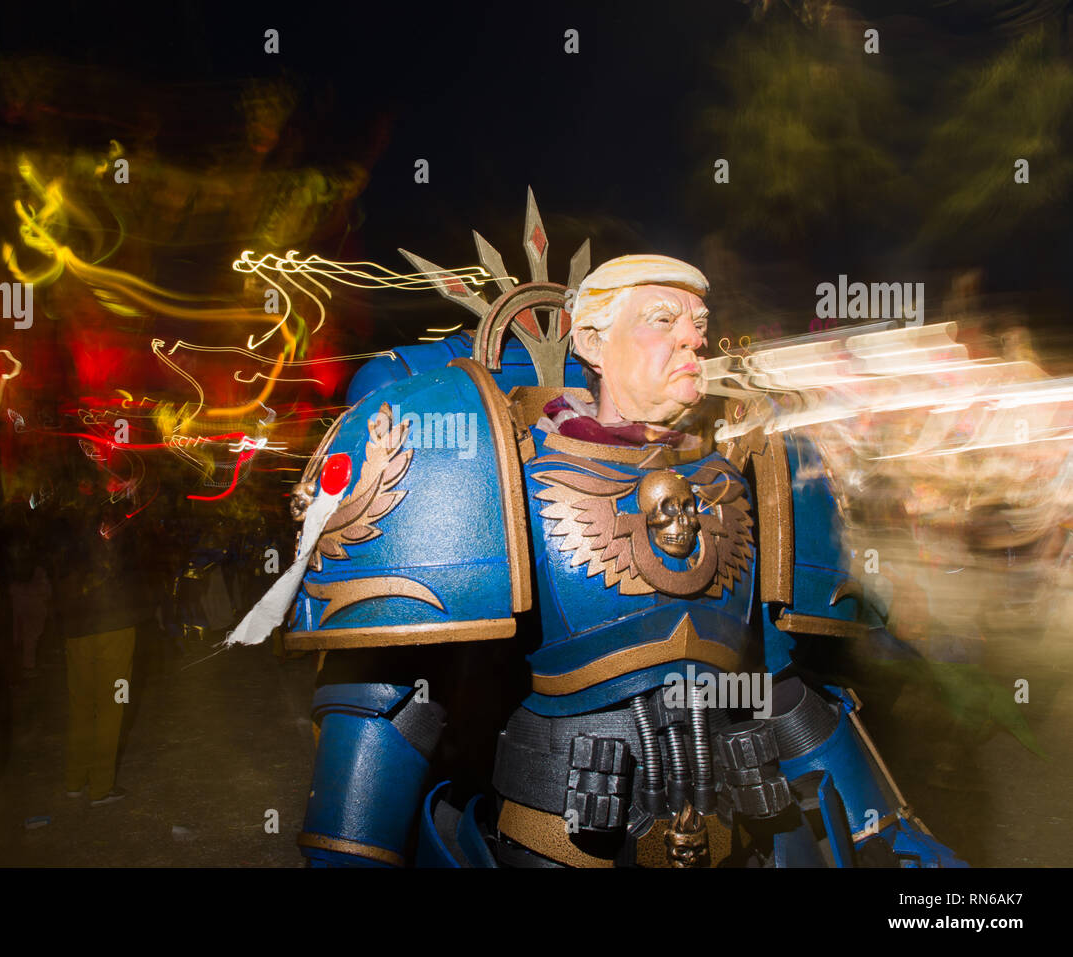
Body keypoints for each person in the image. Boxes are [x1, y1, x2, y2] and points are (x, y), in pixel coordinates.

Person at [273, 220, 964, 868]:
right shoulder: (493, 465)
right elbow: (391, 701)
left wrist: (893, 838)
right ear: (593, 344)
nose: (693, 340)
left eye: (699, 325)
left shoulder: (745, 477)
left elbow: (784, 694)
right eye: (663, 321)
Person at [60, 507, 142, 806]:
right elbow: (135, 580)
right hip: (113, 628)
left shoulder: (71, 536)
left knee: (81, 704)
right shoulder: (119, 537)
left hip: (77, 629)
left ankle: (75, 779)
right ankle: (100, 787)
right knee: (111, 707)